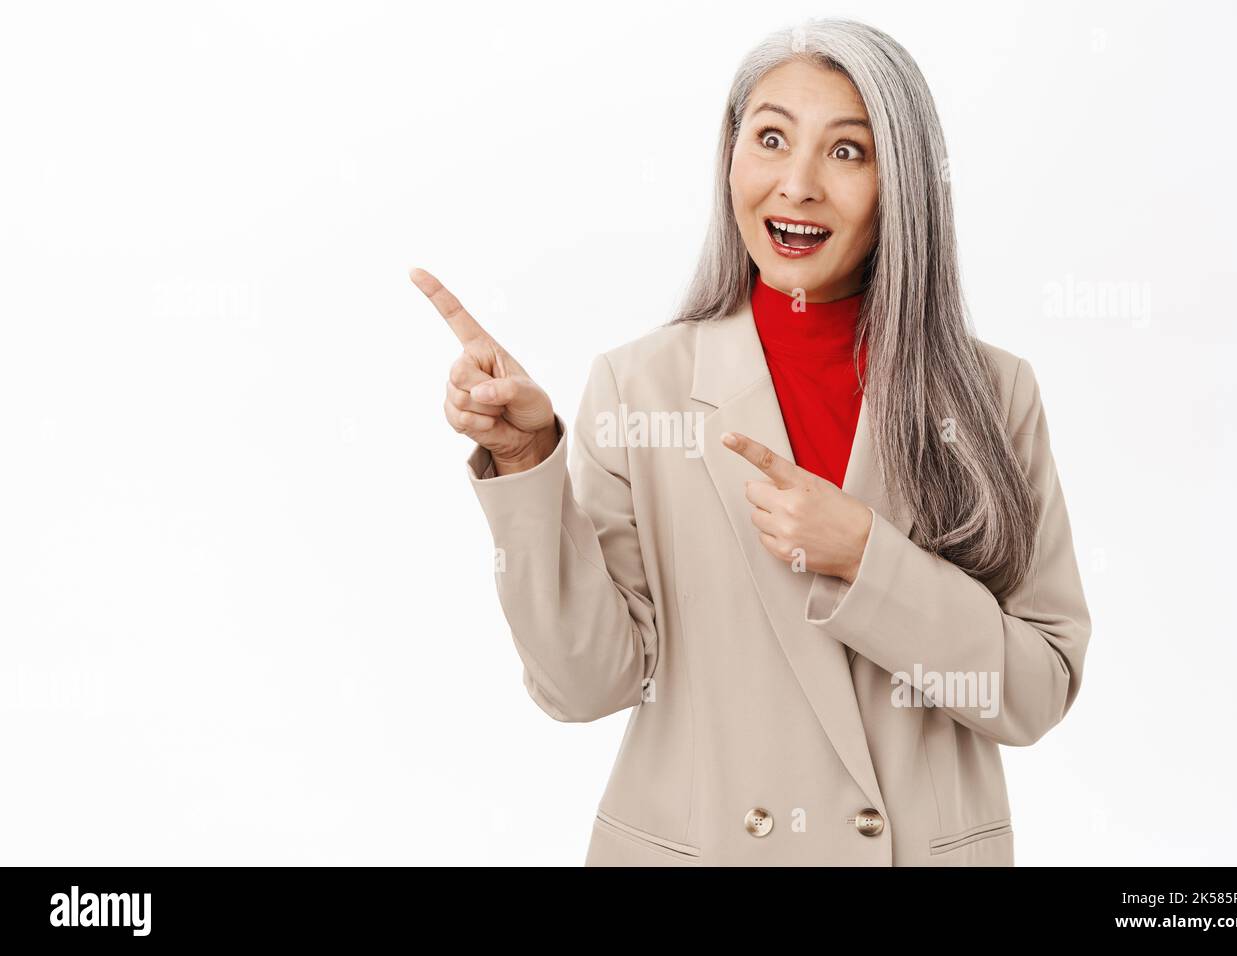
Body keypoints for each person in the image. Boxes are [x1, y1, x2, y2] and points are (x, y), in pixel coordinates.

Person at [414, 17, 1091, 866]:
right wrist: (525, 464)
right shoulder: (639, 387)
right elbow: (585, 686)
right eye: (770, 138)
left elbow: (1036, 690)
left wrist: (866, 557)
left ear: (905, 184)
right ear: (730, 157)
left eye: (847, 151)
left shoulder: (994, 395)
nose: (797, 185)